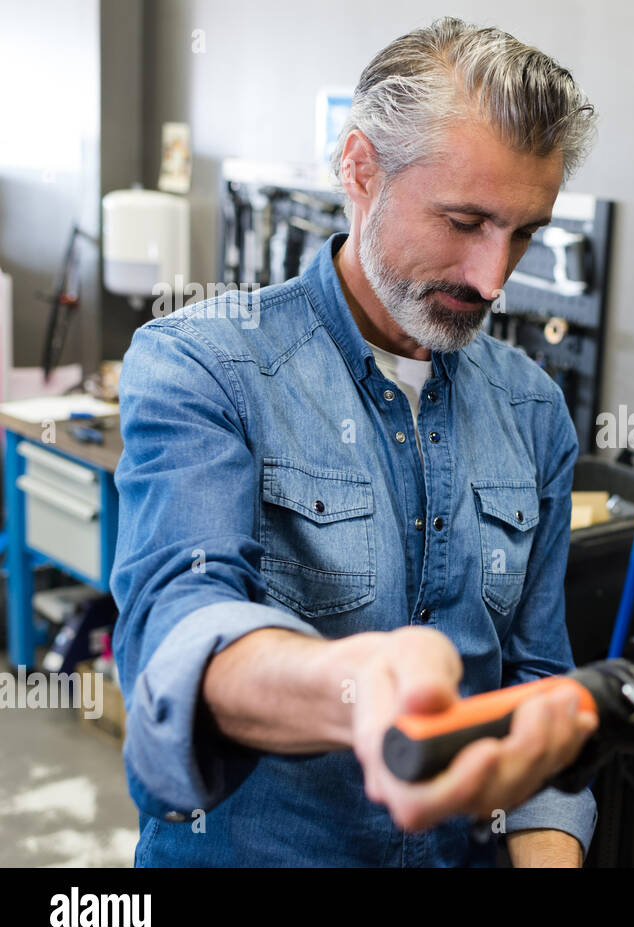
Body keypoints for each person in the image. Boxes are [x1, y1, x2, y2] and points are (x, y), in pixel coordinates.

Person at [111, 18, 601, 866]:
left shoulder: (532, 409)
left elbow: (536, 681)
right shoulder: (206, 364)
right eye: (464, 221)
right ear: (361, 168)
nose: (494, 278)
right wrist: (356, 690)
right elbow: (177, 636)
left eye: (523, 233)